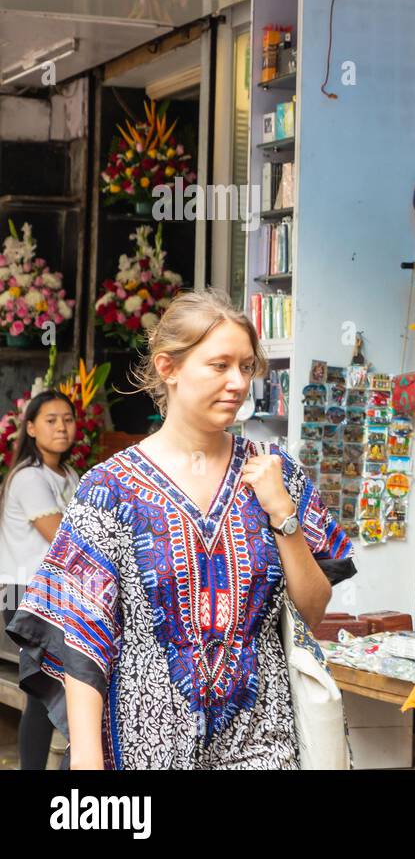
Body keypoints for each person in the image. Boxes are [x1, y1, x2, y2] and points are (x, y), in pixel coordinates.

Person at [5, 288, 353, 769]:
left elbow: (311, 613)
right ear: (168, 369)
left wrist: (284, 518)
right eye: (219, 365)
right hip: (148, 744)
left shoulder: (277, 473)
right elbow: (83, 636)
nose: (237, 383)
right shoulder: (110, 489)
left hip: (262, 742)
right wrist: (86, 757)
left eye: (247, 367)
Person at [0, 390, 79, 770]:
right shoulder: (29, 478)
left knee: (52, 690)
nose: (62, 427)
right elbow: (65, 539)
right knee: (40, 690)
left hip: (54, 596)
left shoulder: (68, 474)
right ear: (30, 427)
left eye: (67, 419)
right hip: (23, 595)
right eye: (51, 420)